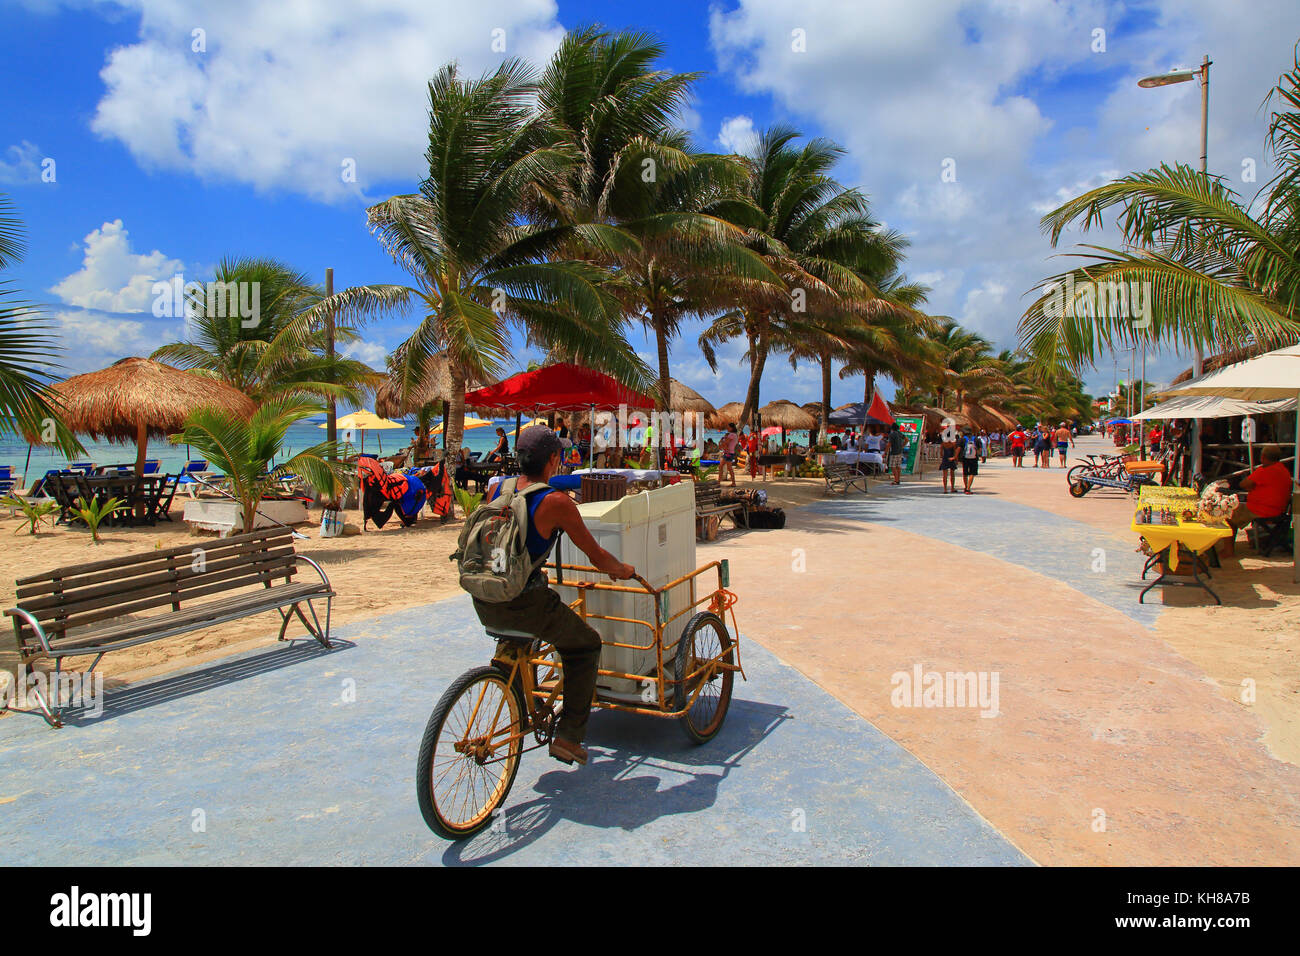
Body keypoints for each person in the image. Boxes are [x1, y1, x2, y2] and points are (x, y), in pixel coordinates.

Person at [477, 427, 636, 765]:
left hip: (485, 599)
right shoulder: (556, 502)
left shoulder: (495, 488)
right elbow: (596, 556)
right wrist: (621, 569)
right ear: (553, 460)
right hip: (527, 604)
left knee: (518, 639)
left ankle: (519, 702)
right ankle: (568, 737)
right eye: (559, 456)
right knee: (585, 646)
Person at [1221, 444, 1293, 557]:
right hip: (1279, 510)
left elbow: (1243, 484)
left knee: (1227, 513)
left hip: (1261, 509)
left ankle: (1228, 550)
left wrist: (1253, 487)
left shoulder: (1264, 470)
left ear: (1263, 457)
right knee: (1235, 509)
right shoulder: (1284, 470)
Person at [960, 428, 980, 494]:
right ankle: (968, 488)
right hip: (974, 458)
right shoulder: (976, 439)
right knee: (972, 473)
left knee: (965, 473)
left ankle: (965, 487)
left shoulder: (962, 439)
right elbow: (979, 449)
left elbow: (959, 448)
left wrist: (957, 457)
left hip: (965, 458)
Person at [938, 427, 958, 492]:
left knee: (945, 475)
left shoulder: (943, 443)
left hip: (945, 459)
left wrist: (943, 458)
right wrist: (955, 459)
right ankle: (952, 488)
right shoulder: (953, 443)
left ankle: (945, 489)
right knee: (952, 475)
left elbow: (941, 453)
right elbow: (955, 452)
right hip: (951, 459)